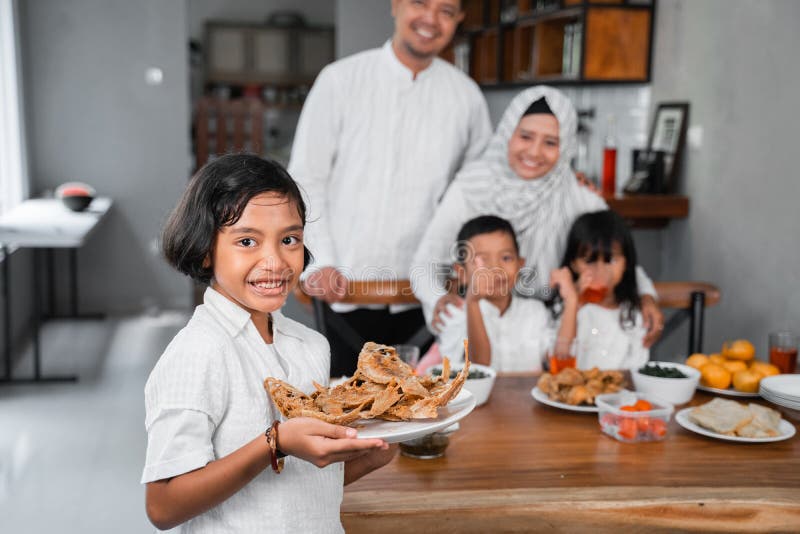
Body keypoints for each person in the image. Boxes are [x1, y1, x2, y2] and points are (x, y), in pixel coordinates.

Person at [142, 155, 395, 533]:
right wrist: (273, 443)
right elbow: (163, 506)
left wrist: (379, 449)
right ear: (205, 249)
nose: (275, 261)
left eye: (289, 239)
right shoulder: (198, 352)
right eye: (247, 241)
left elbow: (303, 488)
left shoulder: (310, 345)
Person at [289, 0, 492, 377]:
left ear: (459, 19)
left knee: (428, 416)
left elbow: (480, 190)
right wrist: (320, 261)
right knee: (350, 414)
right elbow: (306, 177)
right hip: (345, 284)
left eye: (446, 10)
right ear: (396, 4)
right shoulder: (340, 80)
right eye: (420, 3)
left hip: (431, 294)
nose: (430, 19)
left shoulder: (467, 97)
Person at [411, 85, 664, 347]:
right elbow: (425, 261)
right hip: (481, 325)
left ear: (565, 147)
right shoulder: (471, 186)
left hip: (549, 336)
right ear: (508, 133)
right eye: (525, 136)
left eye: (550, 142)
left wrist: (645, 295)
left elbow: (617, 254)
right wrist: (438, 298)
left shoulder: (578, 196)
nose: (534, 152)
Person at [434, 215, 577, 372]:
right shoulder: (454, 314)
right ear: (462, 273)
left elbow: (560, 357)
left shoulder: (535, 311)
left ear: (520, 265)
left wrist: (571, 301)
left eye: (506, 258)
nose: (496, 268)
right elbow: (479, 370)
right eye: (482, 260)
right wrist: (472, 303)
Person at [555, 210, 650, 370]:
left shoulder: (633, 313)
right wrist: (573, 303)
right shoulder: (565, 308)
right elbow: (561, 356)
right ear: (573, 264)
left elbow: (637, 366)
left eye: (611, 260)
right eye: (589, 260)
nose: (601, 272)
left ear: (627, 263)